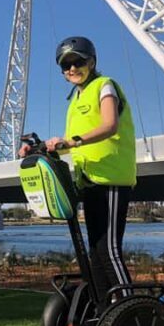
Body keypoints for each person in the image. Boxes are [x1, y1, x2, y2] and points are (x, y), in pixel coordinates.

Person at [20, 36, 136, 299]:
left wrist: (72, 141)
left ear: (91, 62)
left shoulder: (104, 86)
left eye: (78, 62)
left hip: (111, 179)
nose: (72, 68)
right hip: (89, 180)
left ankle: (130, 309)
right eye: (66, 65)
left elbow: (110, 125)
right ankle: (105, 309)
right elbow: (68, 143)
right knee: (95, 252)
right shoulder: (75, 100)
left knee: (109, 251)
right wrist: (40, 148)